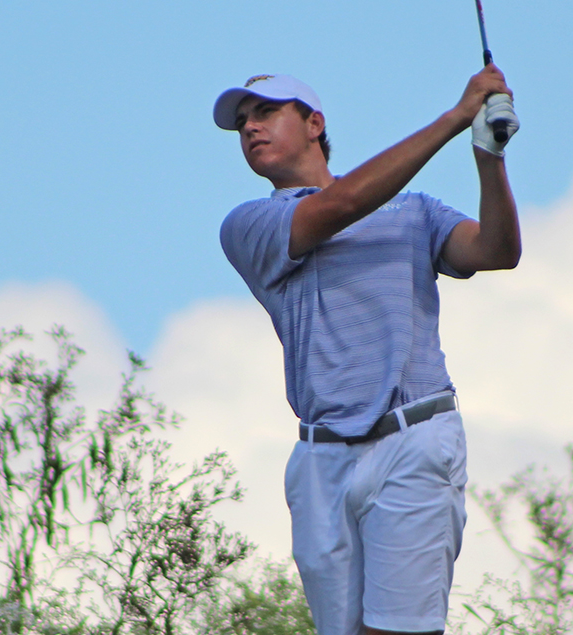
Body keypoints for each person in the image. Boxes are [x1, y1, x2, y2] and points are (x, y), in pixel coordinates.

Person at [214, 67, 521, 635]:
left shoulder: (413, 212)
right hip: (320, 459)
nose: (249, 128)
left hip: (414, 436)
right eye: (240, 123)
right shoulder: (251, 224)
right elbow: (342, 204)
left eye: (264, 112)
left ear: (314, 124)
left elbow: (497, 250)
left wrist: (488, 156)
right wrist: (455, 117)